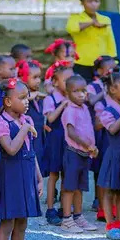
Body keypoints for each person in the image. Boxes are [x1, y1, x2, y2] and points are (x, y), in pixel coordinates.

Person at [0, 79, 42, 240]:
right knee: (7, 223)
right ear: (8, 102)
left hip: (26, 173)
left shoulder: (26, 119)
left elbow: (31, 152)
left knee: (22, 222)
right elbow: (11, 149)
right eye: (22, 98)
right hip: (10, 176)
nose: (27, 101)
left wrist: (38, 177)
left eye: (27, 97)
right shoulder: (0, 123)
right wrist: (25, 129)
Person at [59, 75, 99, 233]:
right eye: (76, 91)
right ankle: (67, 219)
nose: (81, 94)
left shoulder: (84, 108)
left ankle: (78, 216)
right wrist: (88, 145)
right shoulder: (69, 110)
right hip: (73, 153)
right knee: (69, 187)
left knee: (79, 187)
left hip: (84, 154)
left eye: (83, 90)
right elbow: (71, 132)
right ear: (68, 93)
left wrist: (92, 147)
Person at [96, 71, 120, 240]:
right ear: (112, 89)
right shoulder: (107, 111)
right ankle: (110, 224)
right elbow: (112, 129)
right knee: (109, 191)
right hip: (114, 155)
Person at [41, 62, 73, 226]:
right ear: (55, 82)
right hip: (55, 139)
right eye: (65, 80)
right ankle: (51, 208)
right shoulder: (50, 98)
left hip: (69, 140)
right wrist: (63, 104)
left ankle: (64, 206)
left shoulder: (73, 98)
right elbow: (51, 118)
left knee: (67, 173)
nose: (69, 83)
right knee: (54, 174)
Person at [88, 55, 117, 221]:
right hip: (100, 132)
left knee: (115, 169)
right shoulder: (93, 87)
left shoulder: (117, 84)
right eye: (108, 68)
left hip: (115, 131)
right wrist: (105, 90)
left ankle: (114, 205)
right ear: (99, 70)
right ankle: (100, 204)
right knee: (100, 170)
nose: (111, 71)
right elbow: (91, 101)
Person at [66, 0, 116, 82]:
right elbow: (71, 28)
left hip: (102, 64)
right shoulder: (75, 18)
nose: (93, 4)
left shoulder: (105, 19)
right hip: (81, 62)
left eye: (96, 1)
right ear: (82, 2)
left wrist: (113, 59)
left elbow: (110, 41)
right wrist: (92, 22)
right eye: (89, 1)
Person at [19, 60, 46, 177]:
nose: (38, 81)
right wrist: (29, 97)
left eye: (39, 77)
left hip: (38, 135)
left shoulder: (38, 96)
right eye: (34, 77)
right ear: (23, 78)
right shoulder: (23, 97)